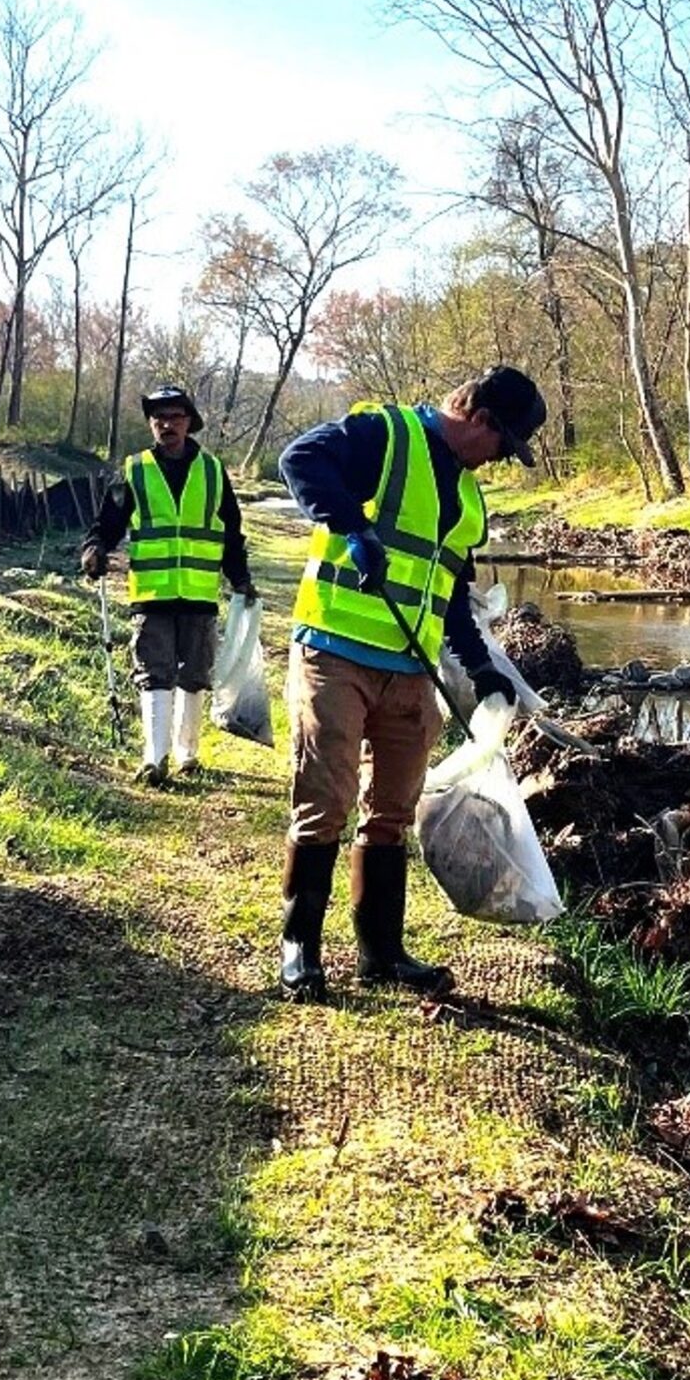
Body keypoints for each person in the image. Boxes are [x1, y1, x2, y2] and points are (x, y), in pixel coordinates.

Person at [276, 365, 547, 1002]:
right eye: (503, 446)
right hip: (336, 653)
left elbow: (451, 592)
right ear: (479, 419)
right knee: (327, 801)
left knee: (391, 813)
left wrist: (481, 670)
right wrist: (353, 528)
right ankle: (300, 949)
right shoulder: (387, 436)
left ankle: (381, 953)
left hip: (408, 671)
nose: (500, 460)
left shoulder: (469, 498)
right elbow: (301, 459)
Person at [80, 385, 255, 784]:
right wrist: (94, 549)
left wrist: (240, 578)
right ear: (151, 424)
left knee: (194, 673)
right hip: (152, 592)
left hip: (199, 593)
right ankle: (154, 759)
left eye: (175, 416)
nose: (166, 424)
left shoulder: (212, 470)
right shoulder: (135, 469)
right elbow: (107, 522)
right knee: (154, 672)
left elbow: (231, 530)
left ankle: (187, 754)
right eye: (158, 417)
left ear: (189, 422)